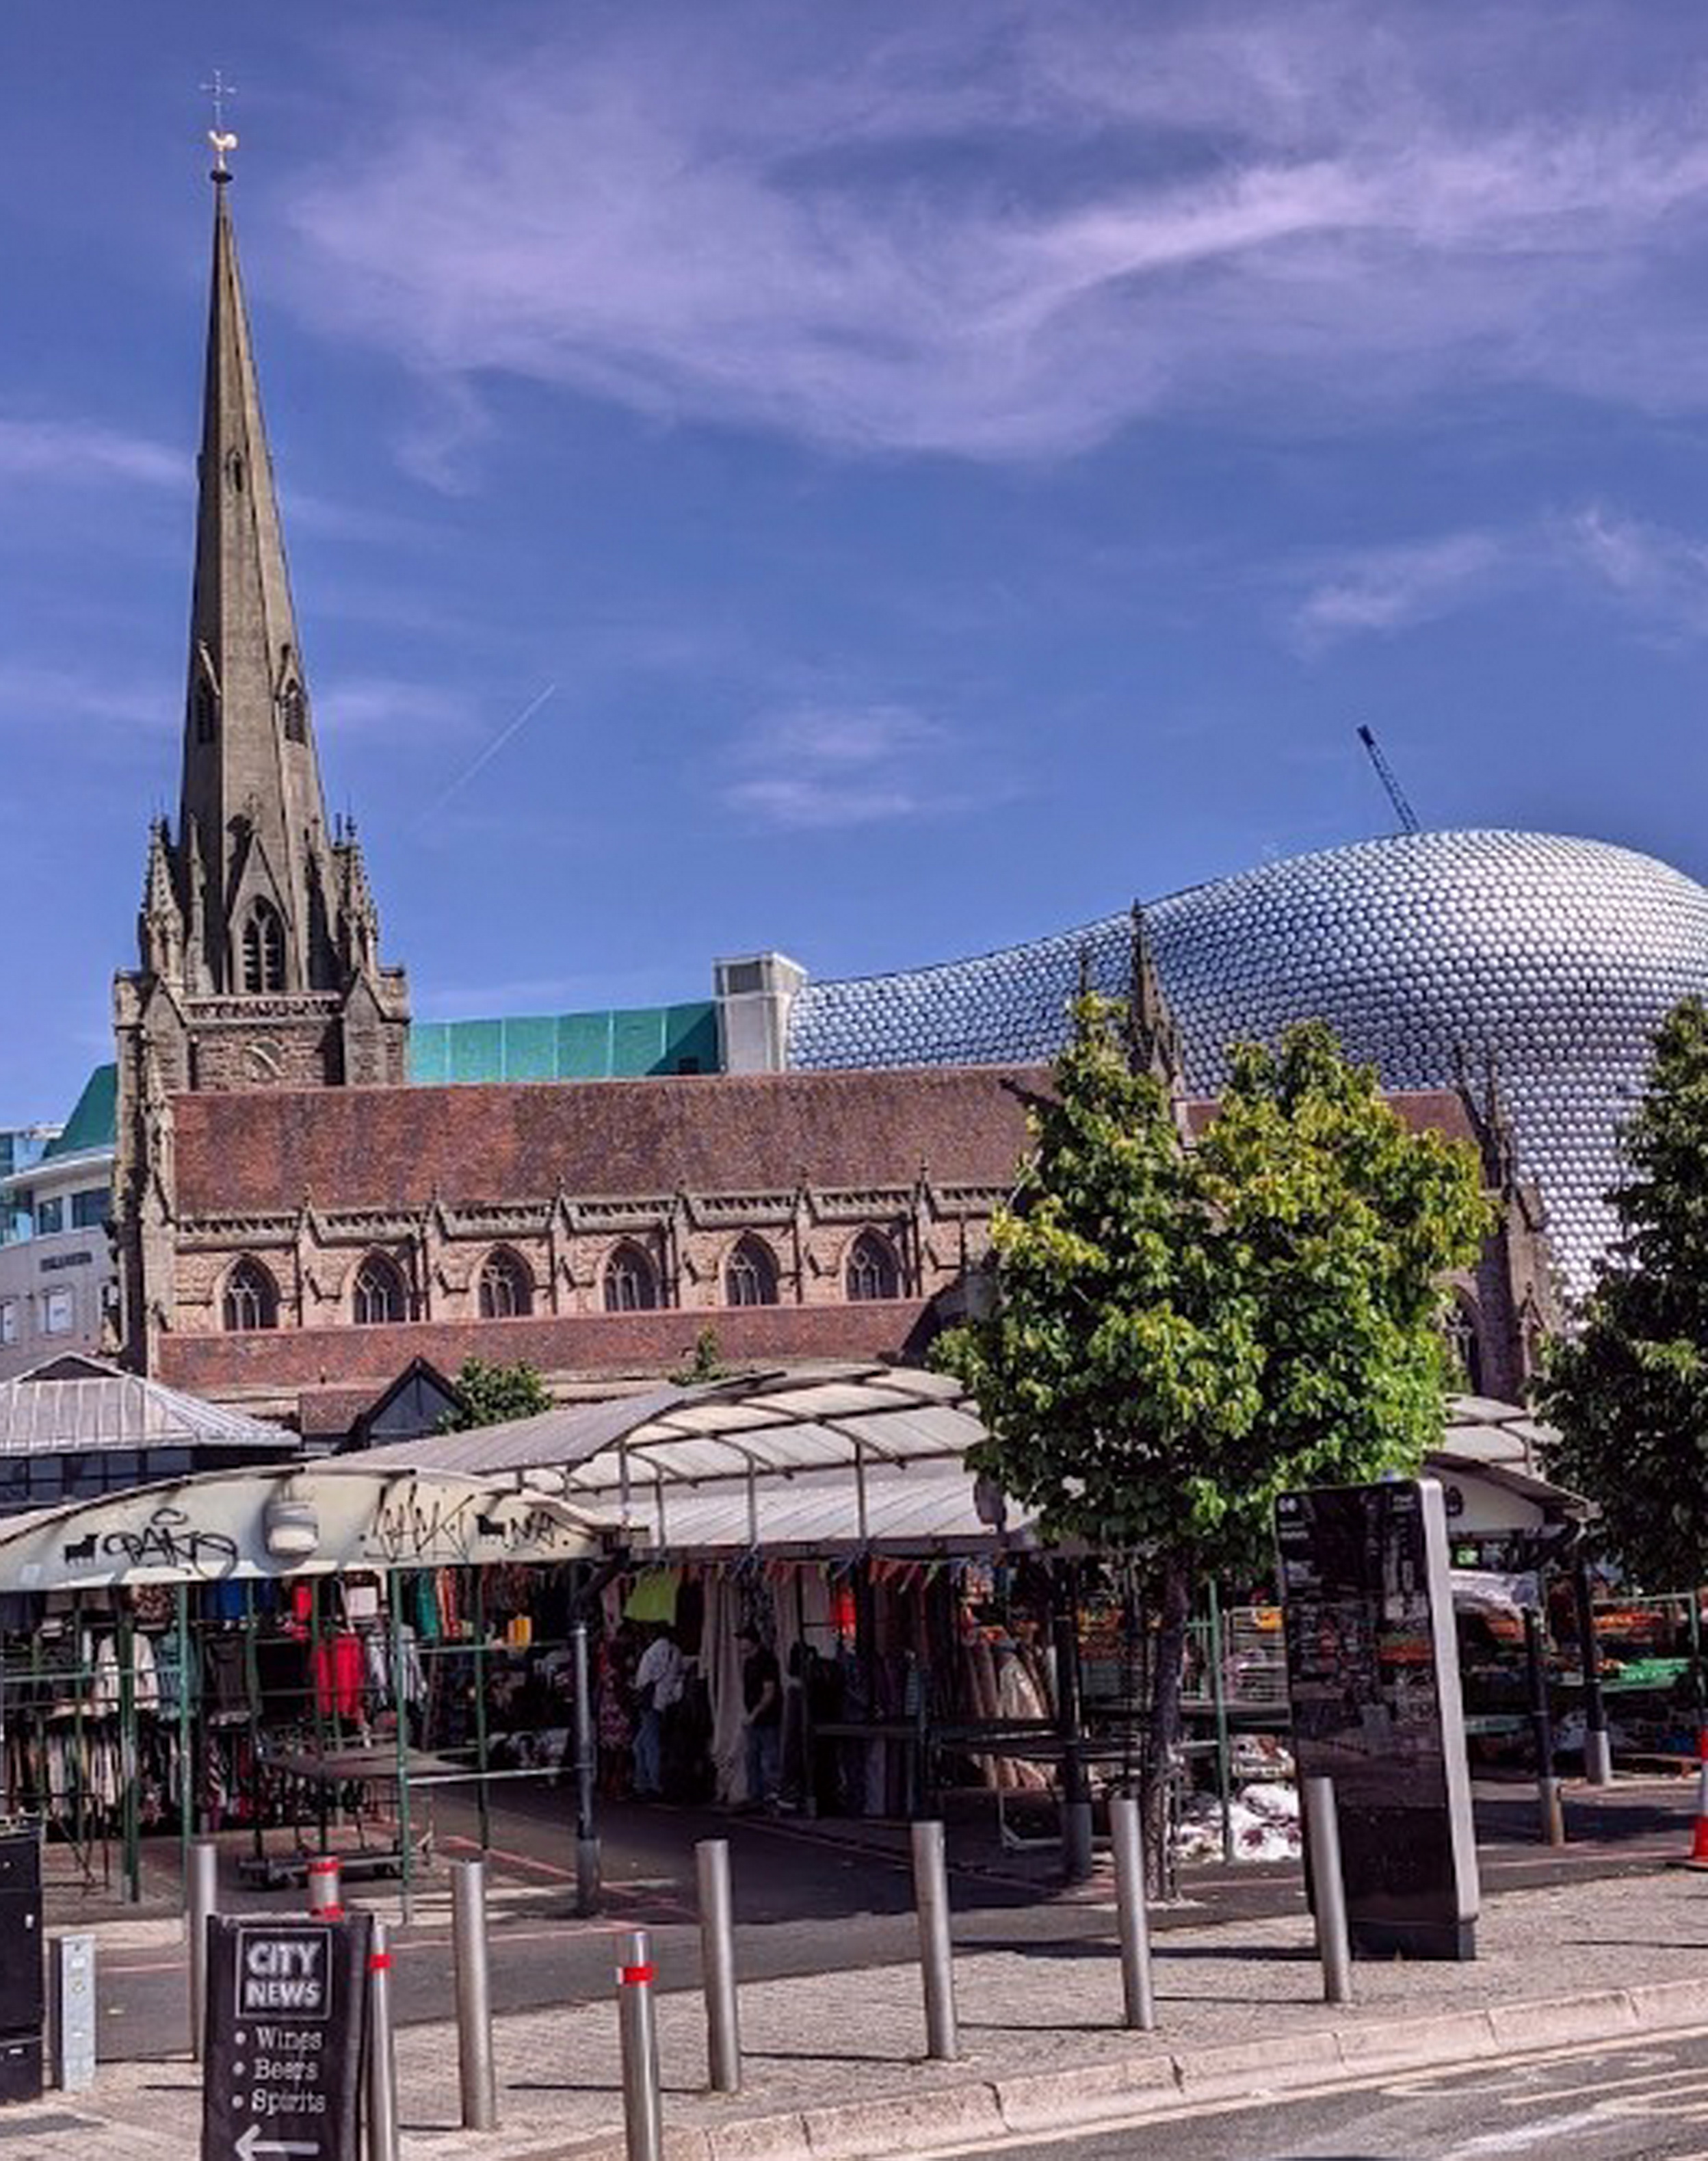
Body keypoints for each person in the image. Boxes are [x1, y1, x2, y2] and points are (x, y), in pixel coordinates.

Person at [632, 1623, 684, 1798]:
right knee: (640, 1745)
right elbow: (678, 1676)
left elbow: (644, 1678)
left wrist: (637, 1689)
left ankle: (653, 1785)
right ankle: (642, 1782)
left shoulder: (653, 1651)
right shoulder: (676, 1651)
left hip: (650, 1701)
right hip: (664, 1700)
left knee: (648, 1744)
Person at [737, 1623, 782, 1806]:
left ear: (752, 1641)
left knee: (769, 1759)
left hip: (768, 1718)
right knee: (751, 1759)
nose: (740, 1644)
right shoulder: (748, 1663)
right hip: (753, 1718)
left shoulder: (767, 1660)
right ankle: (755, 1796)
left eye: (743, 1640)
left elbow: (769, 1691)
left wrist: (755, 1713)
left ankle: (772, 1797)